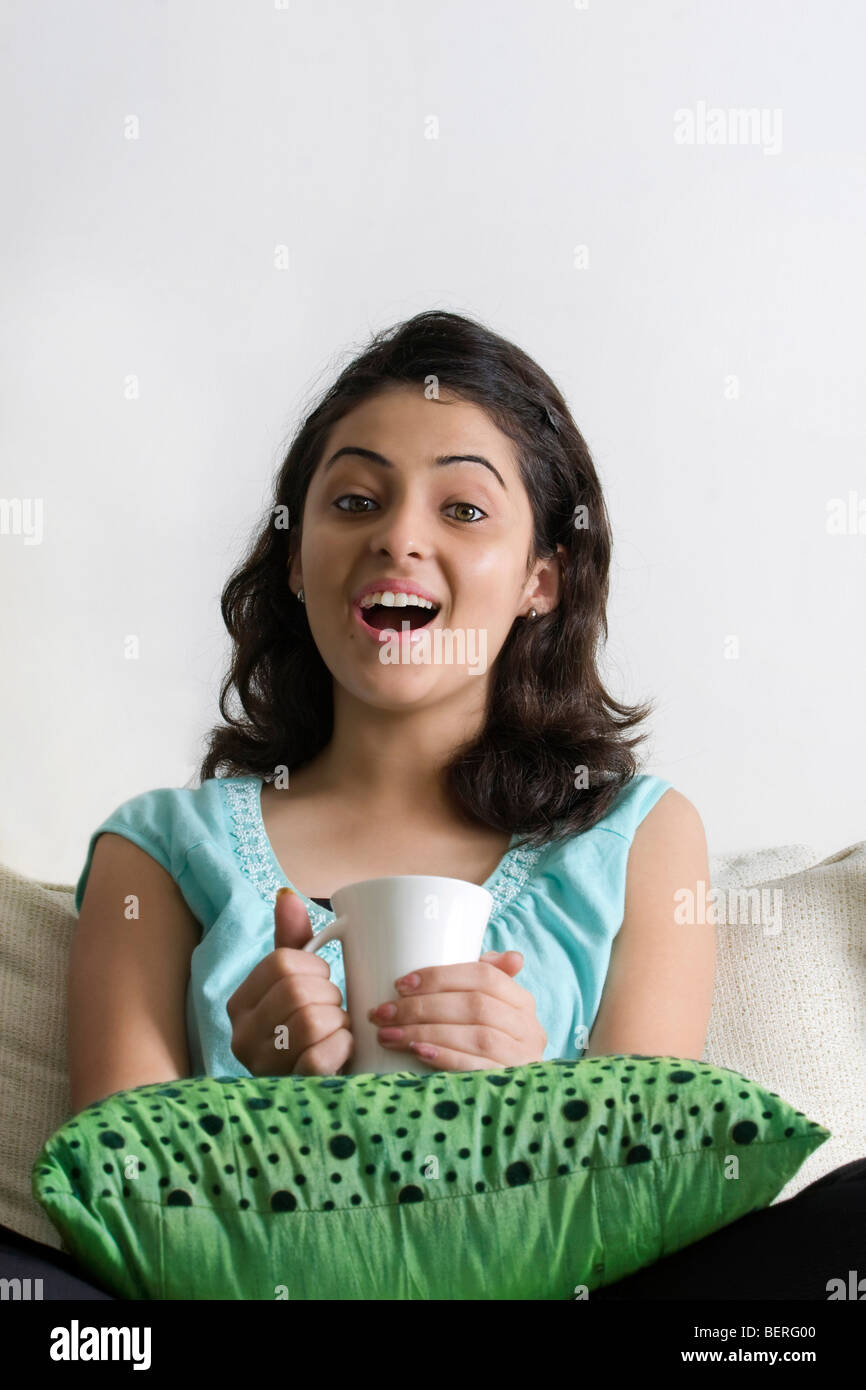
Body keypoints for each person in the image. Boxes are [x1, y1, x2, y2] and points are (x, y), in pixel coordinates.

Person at [24, 308, 853, 1301]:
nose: (398, 538)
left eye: (461, 509)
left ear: (540, 579)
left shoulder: (635, 834)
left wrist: (535, 1100)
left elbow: (646, 1218)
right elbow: (116, 1207)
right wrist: (269, 1109)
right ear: (296, 562)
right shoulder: (156, 851)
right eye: (355, 500)